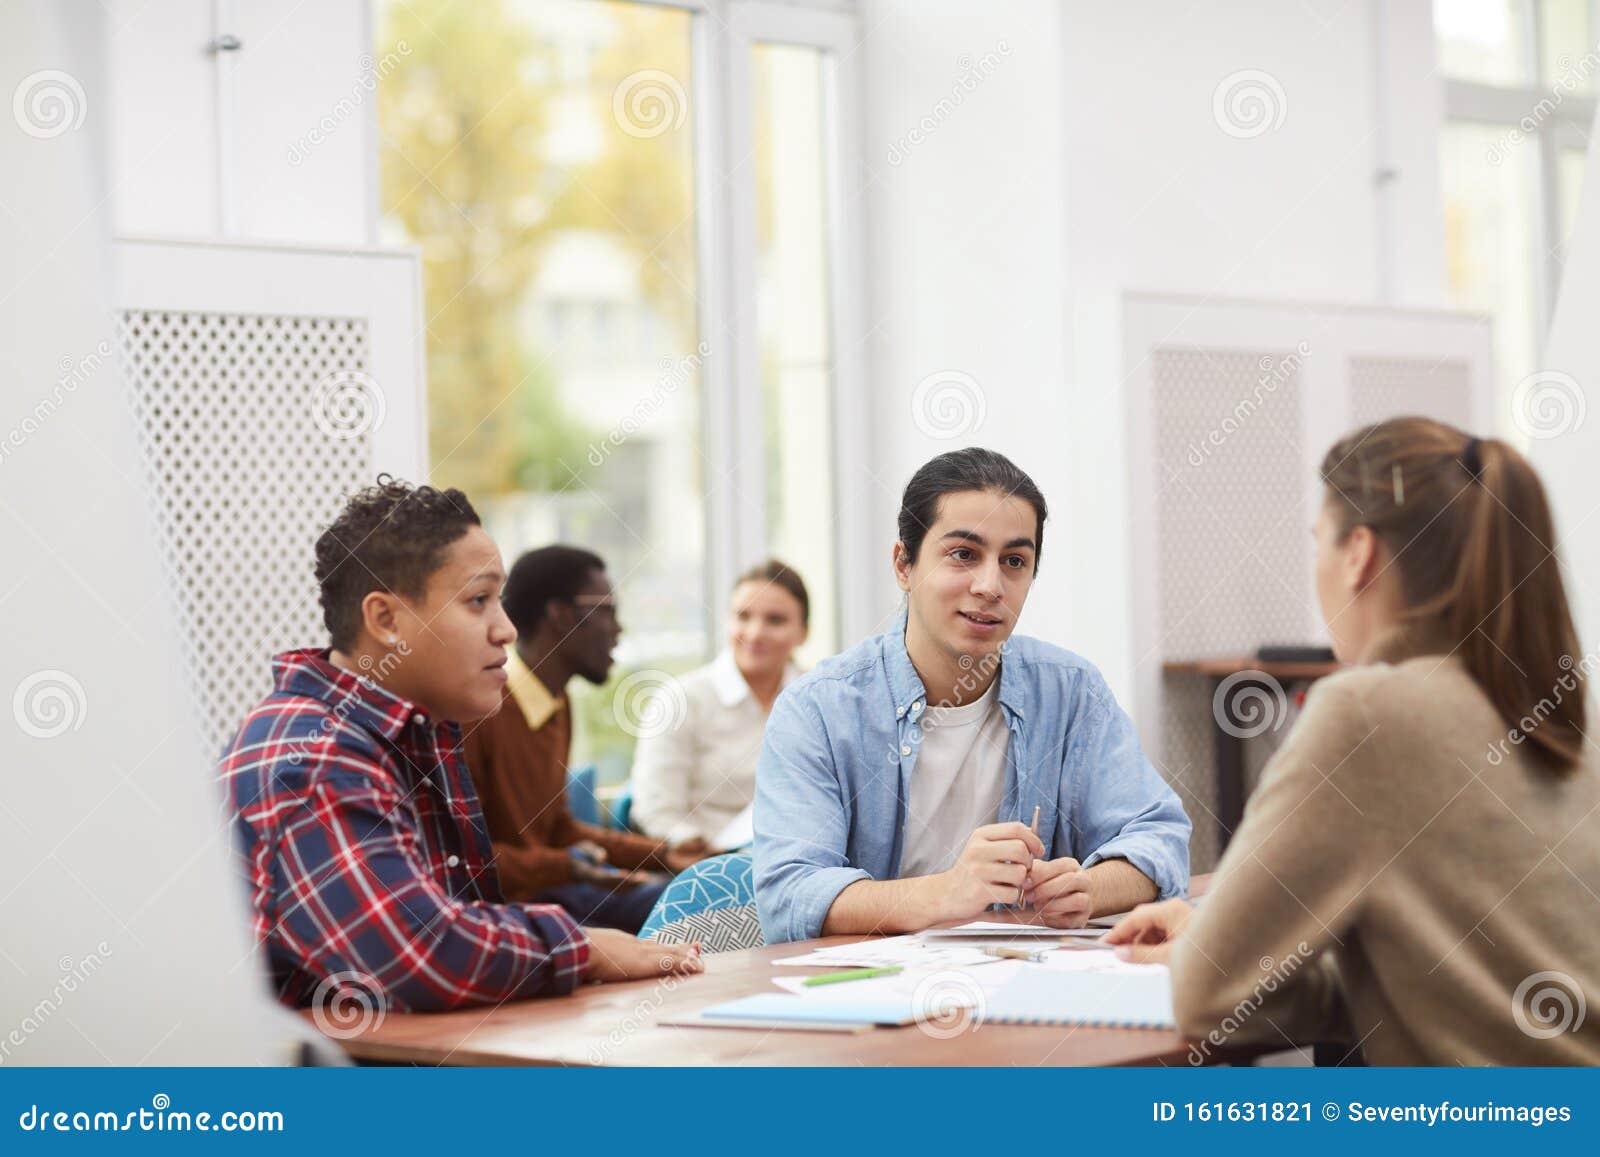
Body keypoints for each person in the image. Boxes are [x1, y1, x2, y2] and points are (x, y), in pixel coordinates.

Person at [1106, 418, 1600, 1065]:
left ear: (1358, 553)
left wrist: (1206, 954)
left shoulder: (1368, 712)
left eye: (1320, 543)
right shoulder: (1561, 714)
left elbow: (1204, 997)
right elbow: (1457, 979)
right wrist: (1214, 943)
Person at [218, 478, 702, 1013]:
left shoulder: (419, 731)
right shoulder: (314, 755)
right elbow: (419, 954)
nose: (506, 631)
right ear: (385, 620)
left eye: (499, 602)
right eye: (477, 601)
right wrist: (584, 947)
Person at [753, 447, 1191, 943]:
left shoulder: (1070, 692)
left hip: (1024, 975)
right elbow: (790, 894)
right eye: (963, 554)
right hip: (874, 983)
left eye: (1014, 561)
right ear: (904, 564)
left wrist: (1089, 888)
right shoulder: (817, 709)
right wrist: (946, 893)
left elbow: (1159, 837)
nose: (990, 586)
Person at [462, 545, 709, 933]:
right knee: (683, 912)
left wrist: (664, 854)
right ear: (561, 615)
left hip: (555, 890)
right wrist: (569, 866)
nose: (618, 629)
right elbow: (466, 860)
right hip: (509, 912)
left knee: (701, 894)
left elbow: (558, 828)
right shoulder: (478, 711)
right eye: (607, 611)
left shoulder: (556, 701)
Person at [630, 559, 809, 847]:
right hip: (707, 859)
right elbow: (656, 809)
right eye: (743, 616)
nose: (755, 633)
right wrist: (700, 850)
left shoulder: (820, 698)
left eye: (775, 620)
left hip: (800, 858)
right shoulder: (680, 700)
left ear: (803, 633)